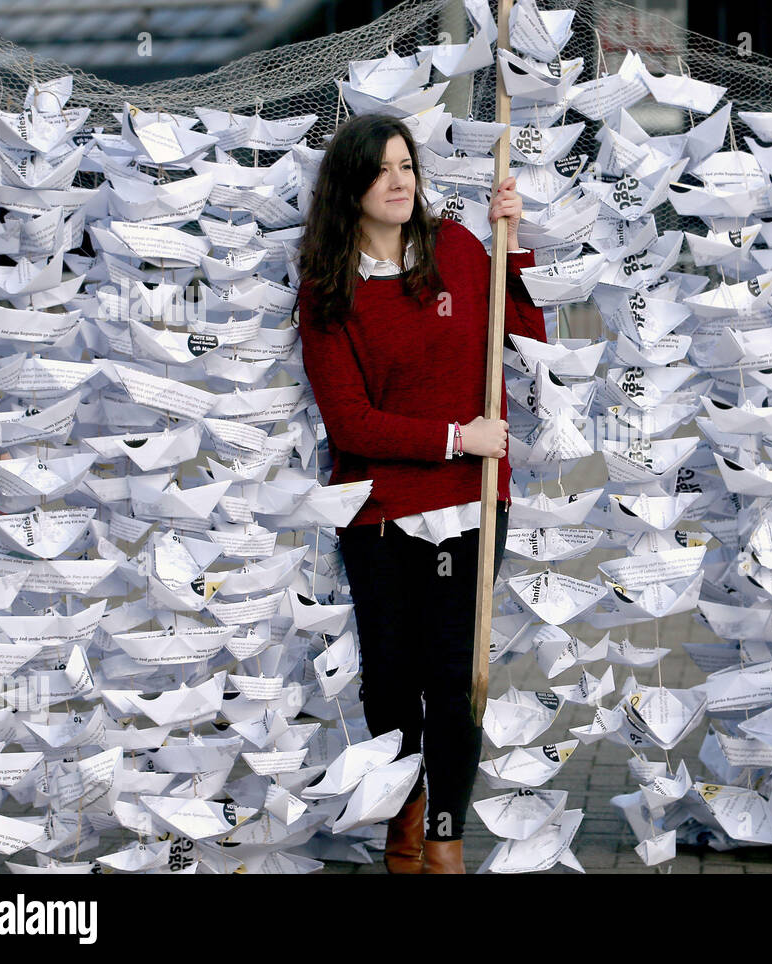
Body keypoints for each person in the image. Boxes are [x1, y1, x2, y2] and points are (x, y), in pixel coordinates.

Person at [294, 114, 547, 873]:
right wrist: (453, 438)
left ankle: (445, 840)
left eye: (407, 165)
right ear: (351, 188)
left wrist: (514, 246)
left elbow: (524, 333)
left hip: (472, 502)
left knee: (455, 673)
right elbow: (350, 421)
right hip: (377, 510)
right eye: (382, 171)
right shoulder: (328, 290)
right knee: (393, 679)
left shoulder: (461, 250)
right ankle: (402, 824)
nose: (400, 181)